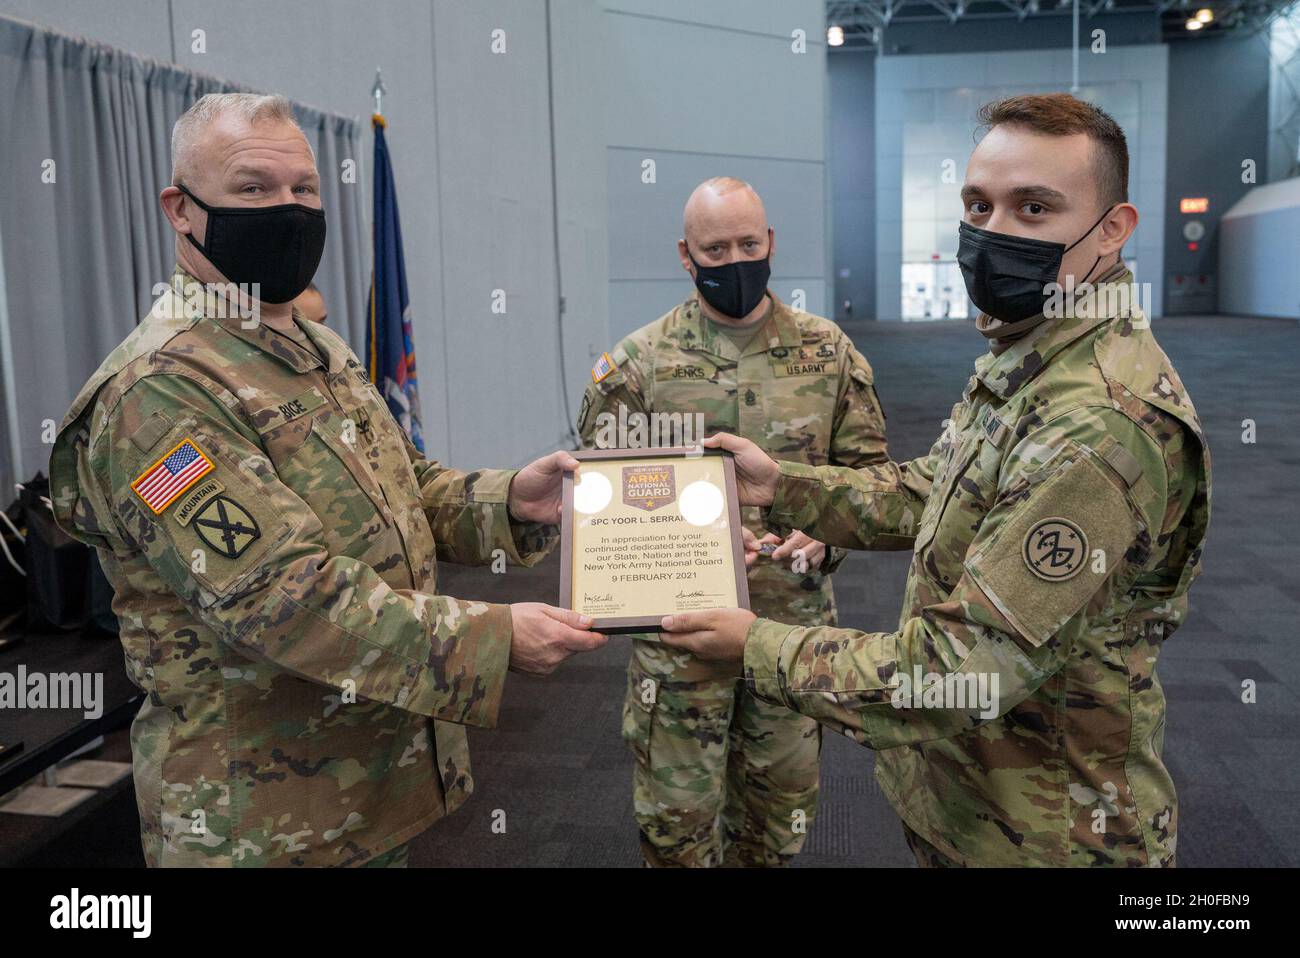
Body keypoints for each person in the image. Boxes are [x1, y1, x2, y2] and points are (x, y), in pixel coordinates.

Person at [49, 93, 605, 867]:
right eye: (254, 189)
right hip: (257, 823)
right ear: (181, 209)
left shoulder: (313, 344)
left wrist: (510, 500)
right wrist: (495, 637)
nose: (289, 209)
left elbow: (403, 490)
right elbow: (284, 600)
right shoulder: (159, 390)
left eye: (304, 189)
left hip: (366, 791)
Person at [658, 93, 1212, 867]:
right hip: (981, 803)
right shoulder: (1035, 358)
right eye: (978, 205)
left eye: (1034, 208)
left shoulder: (1095, 423)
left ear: (1112, 230)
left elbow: (958, 674)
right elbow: (936, 489)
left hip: (1051, 833)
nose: (993, 234)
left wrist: (757, 644)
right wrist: (782, 485)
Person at [578, 177, 893, 867]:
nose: (735, 261)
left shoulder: (829, 352)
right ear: (686, 256)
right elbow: (600, 507)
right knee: (675, 826)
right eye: (715, 248)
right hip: (679, 641)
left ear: (771, 242)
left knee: (780, 821)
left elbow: (874, 480)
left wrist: (829, 532)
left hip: (790, 633)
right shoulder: (637, 366)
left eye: (749, 243)